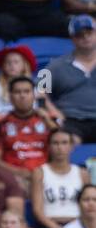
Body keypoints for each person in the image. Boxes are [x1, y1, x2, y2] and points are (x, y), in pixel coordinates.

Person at [40, 15, 96, 143]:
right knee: (64, 143)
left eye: (89, 33)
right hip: (71, 120)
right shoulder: (54, 66)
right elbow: (38, 92)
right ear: (72, 39)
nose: (86, 37)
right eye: (80, 35)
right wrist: (53, 111)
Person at [30, 127, 86, 228]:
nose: (60, 147)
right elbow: (37, 210)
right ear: (49, 147)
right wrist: (54, 227)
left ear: (72, 146)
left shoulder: (82, 173)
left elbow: (89, 203)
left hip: (78, 225)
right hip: (49, 226)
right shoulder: (40, 172)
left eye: (64, 143)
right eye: (55, 143)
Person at [0, 44, 41, 127]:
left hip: (30, 125)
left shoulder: (32, 86)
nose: (12, 65)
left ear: (24, 65)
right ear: (3, 66)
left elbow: (37, 112)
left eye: (16, 62)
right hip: (5, 126)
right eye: (8, 62)